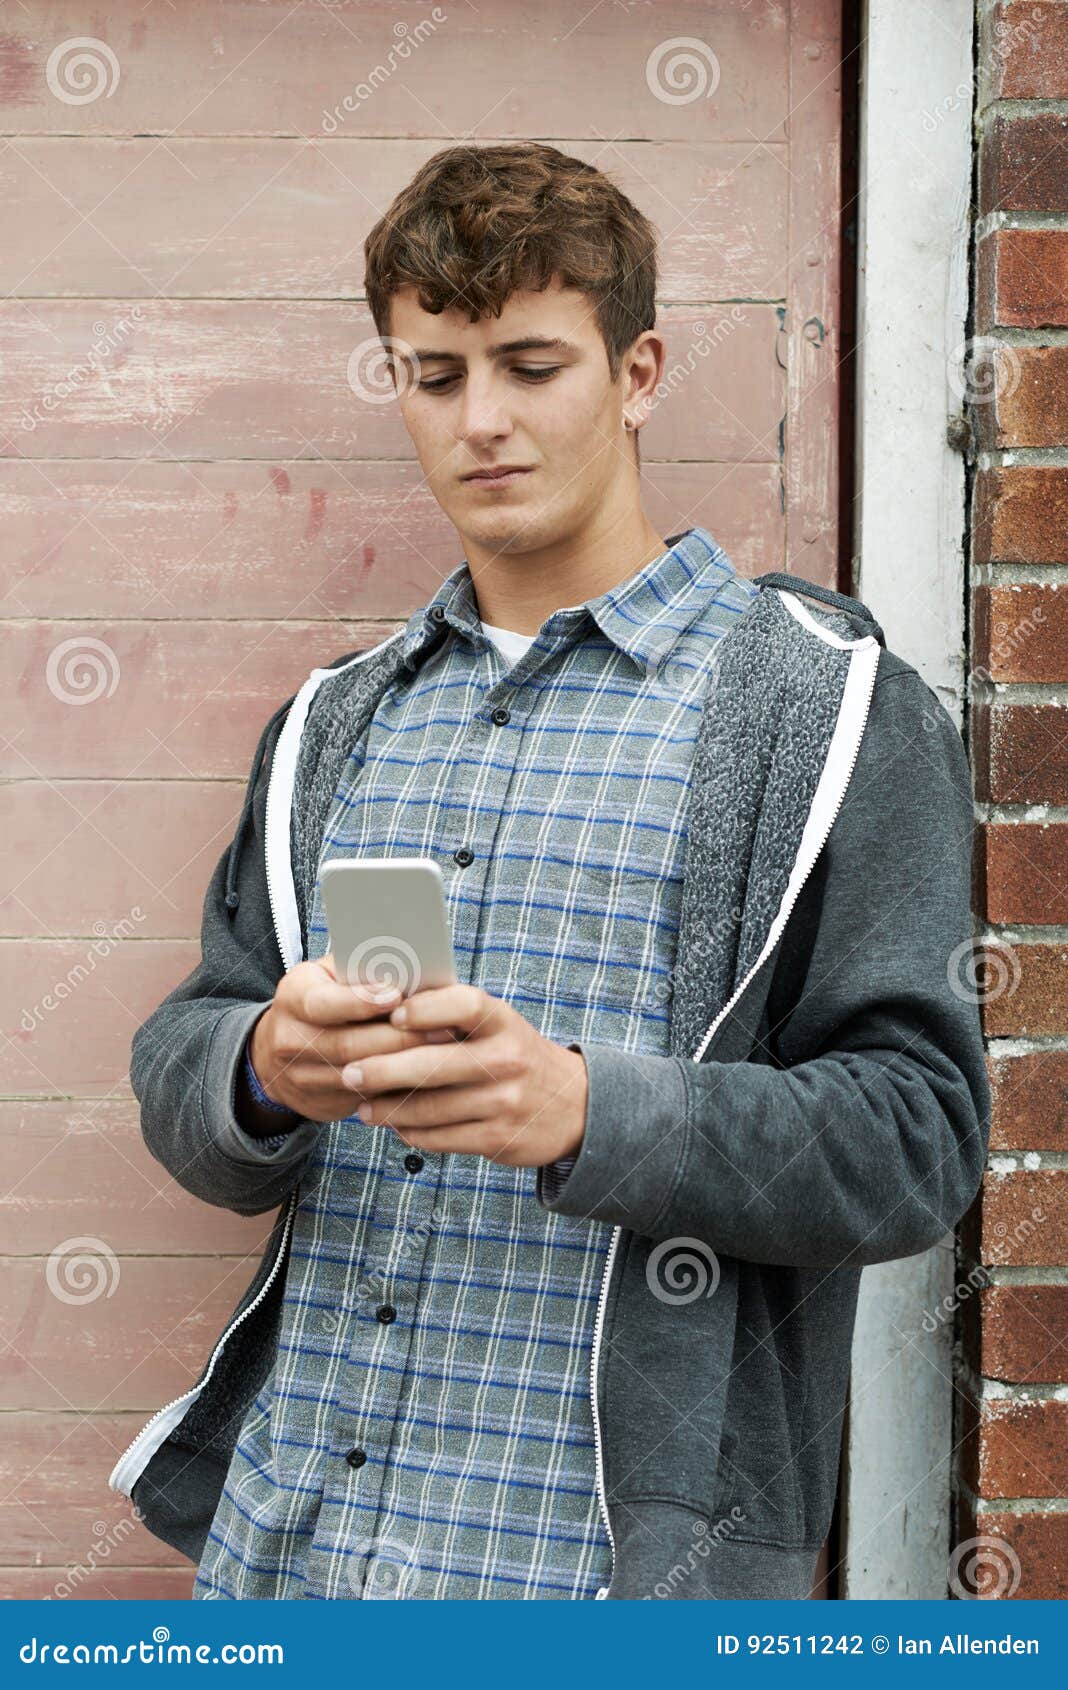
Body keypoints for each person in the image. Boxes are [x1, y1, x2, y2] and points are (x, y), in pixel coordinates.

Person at [110, 141, 989, 1601]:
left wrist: (590, 1109)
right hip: (290, 1561)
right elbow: (182, 1062)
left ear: (638, 371)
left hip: (601, 1585)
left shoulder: (827, 712)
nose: (483, 421)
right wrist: (266, 1065)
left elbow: (920, 1144)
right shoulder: (340, 718)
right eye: (435, 375)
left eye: (531, 364)